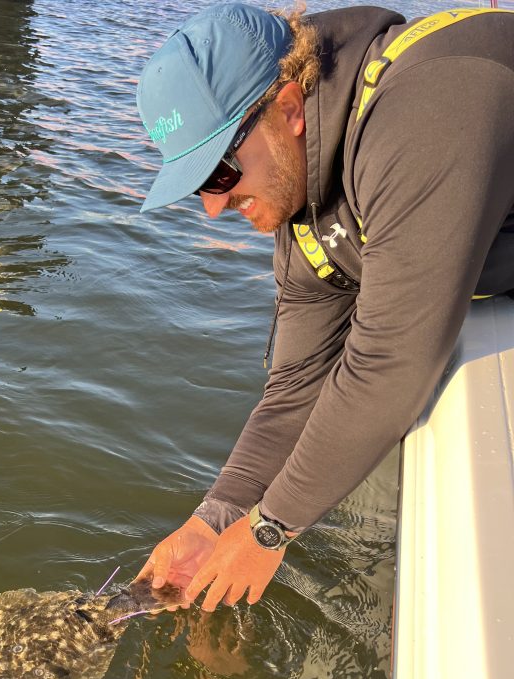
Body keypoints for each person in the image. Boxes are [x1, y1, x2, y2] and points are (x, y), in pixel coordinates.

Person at [133, 2, 514, 612]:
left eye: (221, 172)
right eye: (197, 186)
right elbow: (296, 386)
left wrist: (269, 528)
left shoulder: (428, 107)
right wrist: (214, 519)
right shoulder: (305, 207)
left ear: (288, 108)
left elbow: (389, 363)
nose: (213, 207)